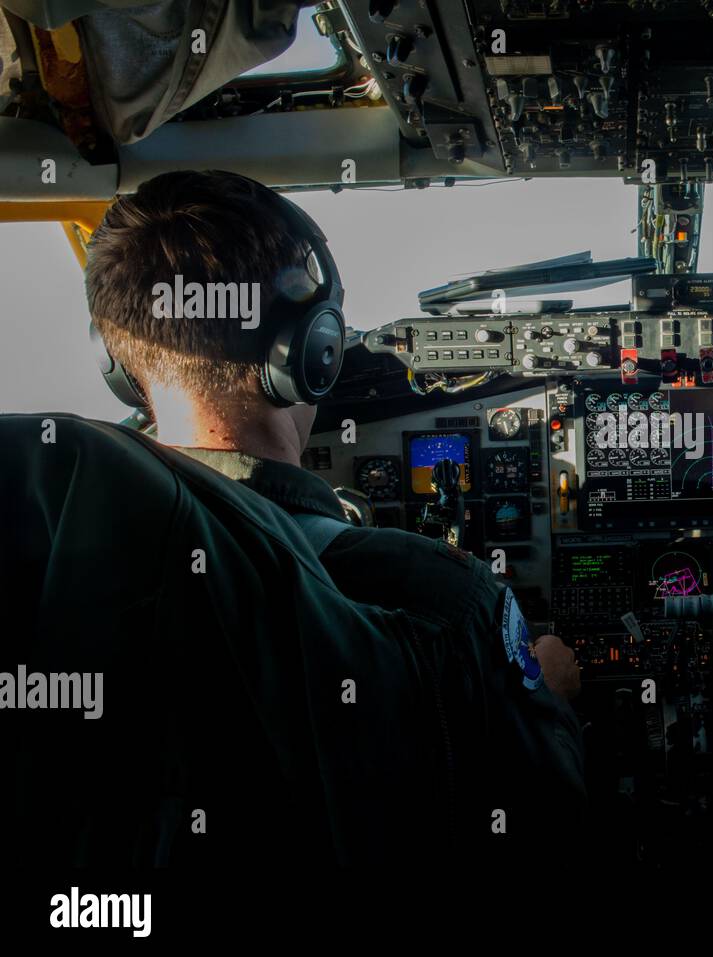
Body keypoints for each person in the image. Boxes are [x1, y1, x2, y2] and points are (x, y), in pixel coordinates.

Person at [82, 169, 585, 852]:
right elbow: (544, 825)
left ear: (121, 364)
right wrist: (546, 697)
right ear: (312, 351)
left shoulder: (62, 563)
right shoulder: (442, 602)